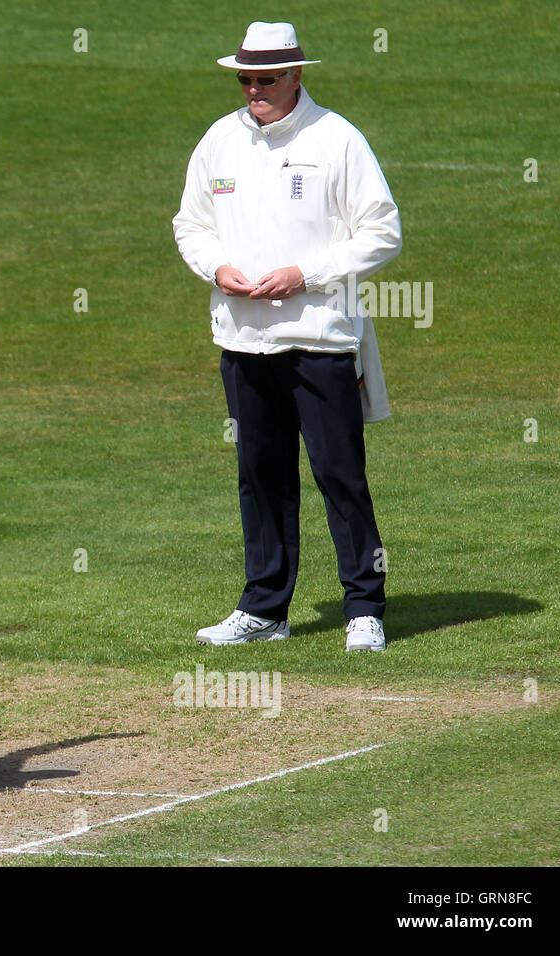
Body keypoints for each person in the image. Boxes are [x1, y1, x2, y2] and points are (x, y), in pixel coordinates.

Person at [171, 21, 402, 653]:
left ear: (297, 75)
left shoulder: (337, 139)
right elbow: (191, 224)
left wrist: (306, 274)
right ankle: (265, 608)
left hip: (321, 337)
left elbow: (382, 231)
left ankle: (365, 608)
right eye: (245, 79)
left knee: (340, 476)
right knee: (260, 476)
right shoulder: (219, 141)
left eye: (266, 78)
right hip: (244, 340)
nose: (254, 90)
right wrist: (216, 268)